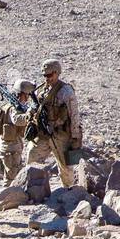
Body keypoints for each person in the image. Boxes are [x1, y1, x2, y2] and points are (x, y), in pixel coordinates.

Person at [16, 58, 81, 188]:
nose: (47, 78)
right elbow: (35, 106)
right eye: (44, 75)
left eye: (49, 75)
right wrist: (31, 112)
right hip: (43, 133)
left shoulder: (66, 91)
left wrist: (75, 137)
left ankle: (68, 191)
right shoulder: (42, 89)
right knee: (32, 157)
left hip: (60, 134)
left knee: (65, 166)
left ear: (57, 73)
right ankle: (32, 189)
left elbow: (74, 116)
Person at [0, 78, 35, 182]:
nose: (27, 98)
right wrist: (29, 115)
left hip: (12, 147)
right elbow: (17, 120)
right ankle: (9, 197)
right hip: (9, 149)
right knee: (11, 178)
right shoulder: (13, 108)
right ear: (20, 94)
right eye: (25, 95)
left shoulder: (14, 106)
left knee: (11, 175)